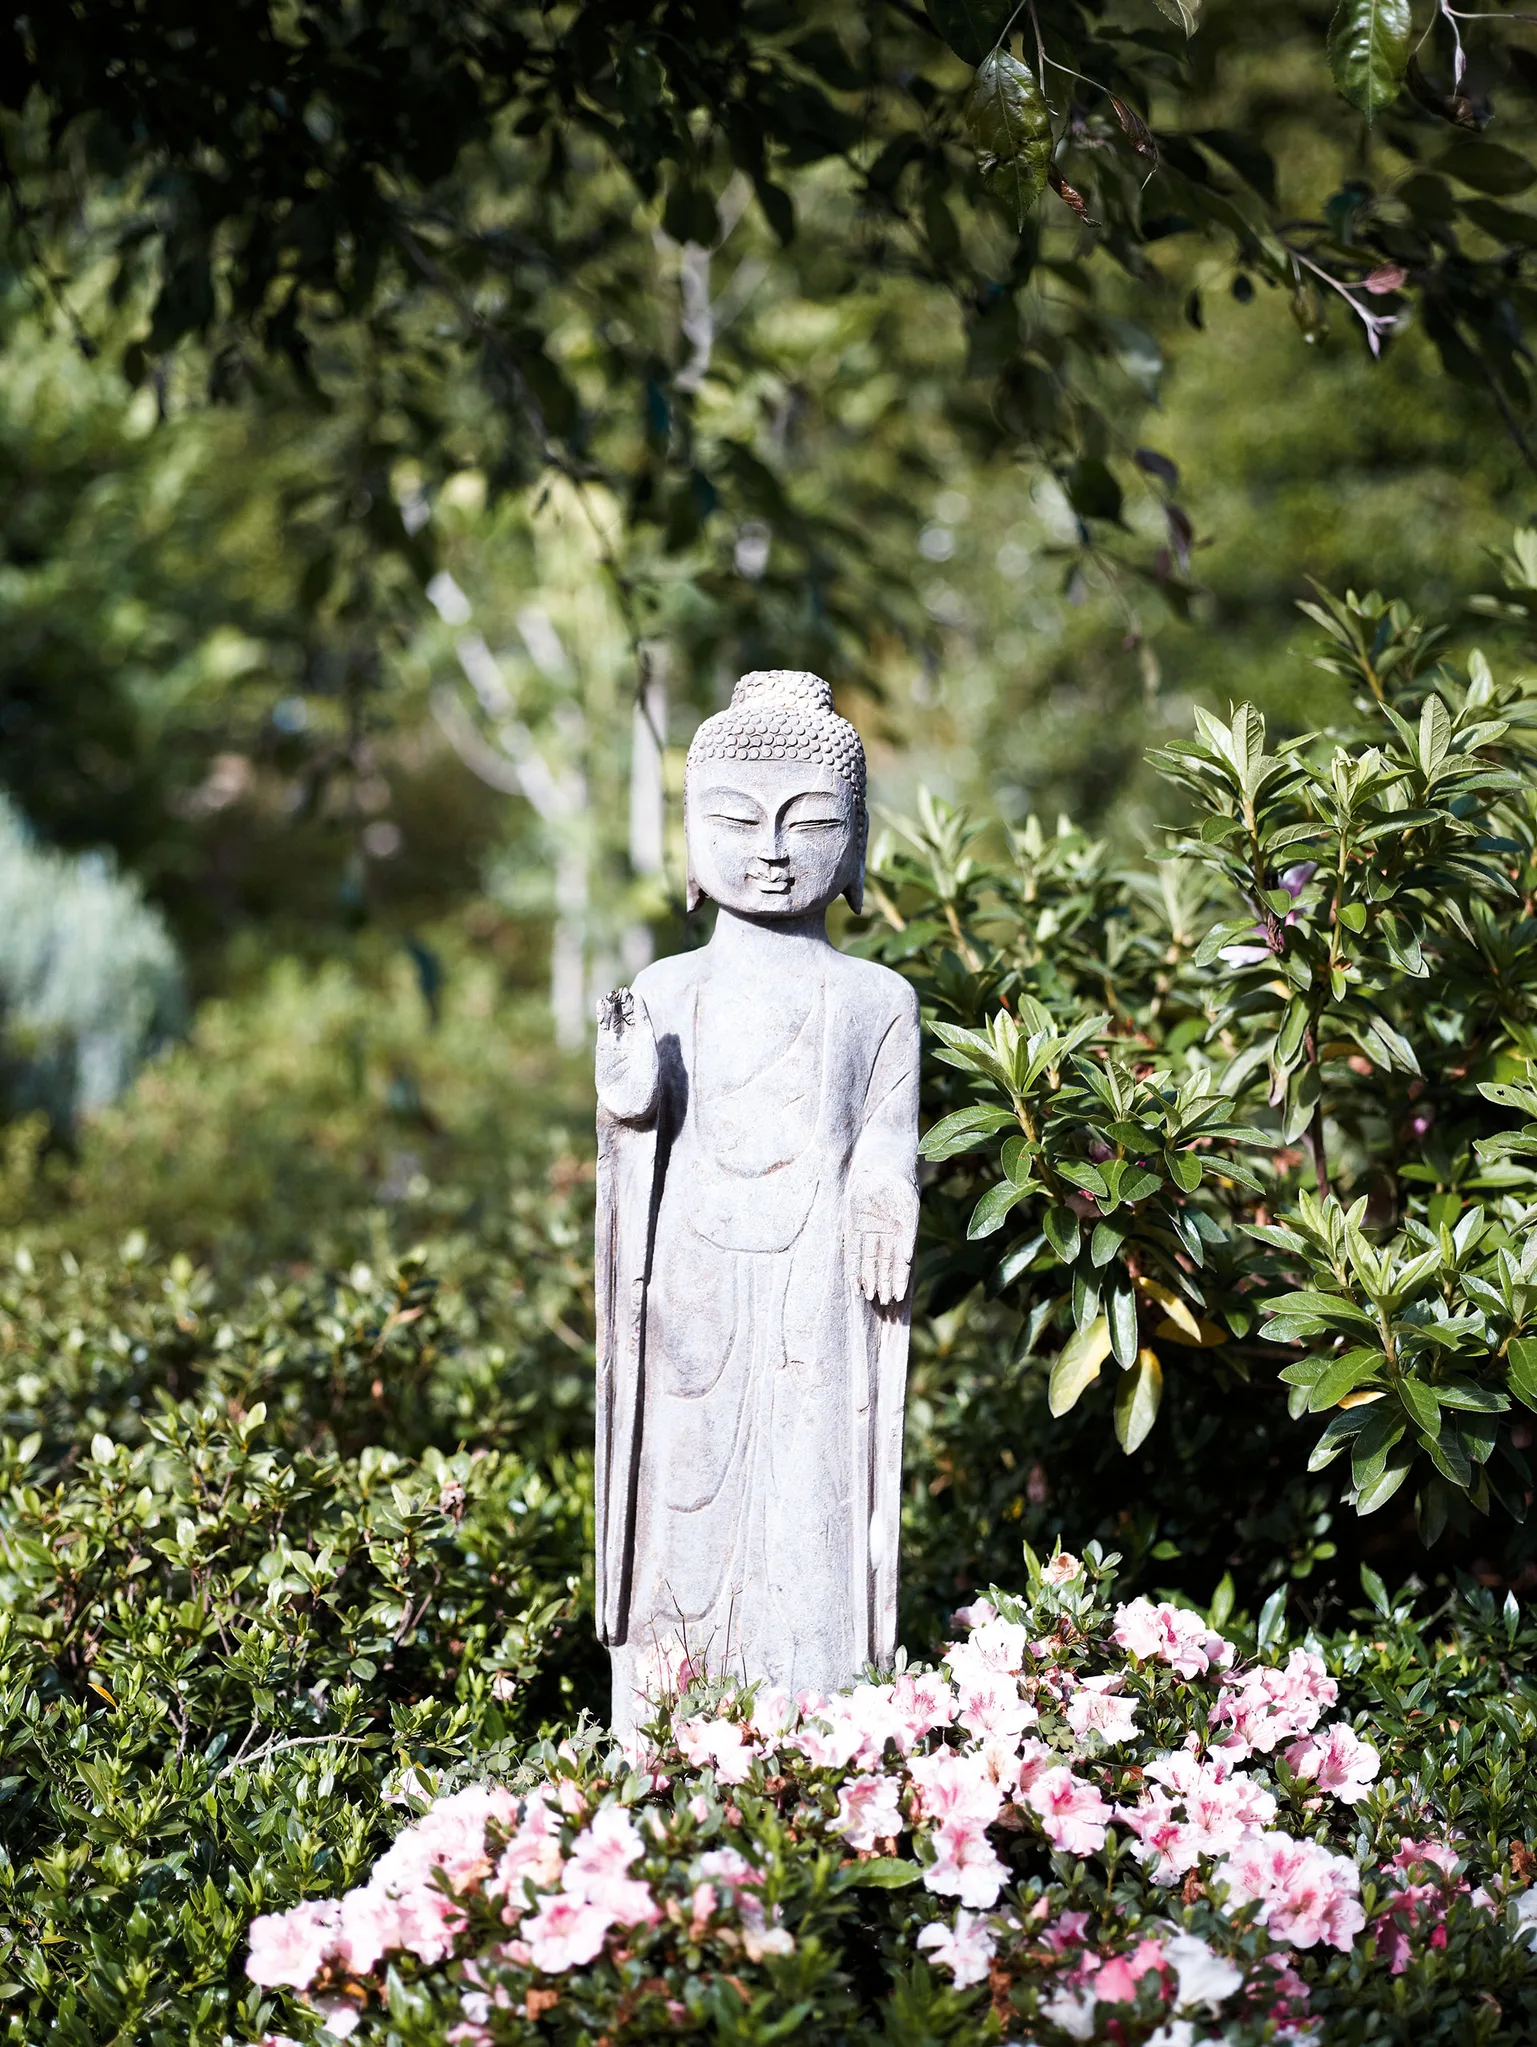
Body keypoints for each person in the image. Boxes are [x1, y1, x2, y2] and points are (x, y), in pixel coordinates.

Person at [594, 669, 920, 1735]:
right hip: (689, 1290)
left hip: (813, 1295)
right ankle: (670, 1739)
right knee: (681, 1512)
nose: (771, 848)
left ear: (854, 839)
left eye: (810, 821)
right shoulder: (666, 990)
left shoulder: (876, 1002)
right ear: (693, 838)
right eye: (737, 819)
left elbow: (883, 1140)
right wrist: (628, 1093)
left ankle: (814, 1744)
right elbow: (631, 1131)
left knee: (807, 1518)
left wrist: (883, 1196)